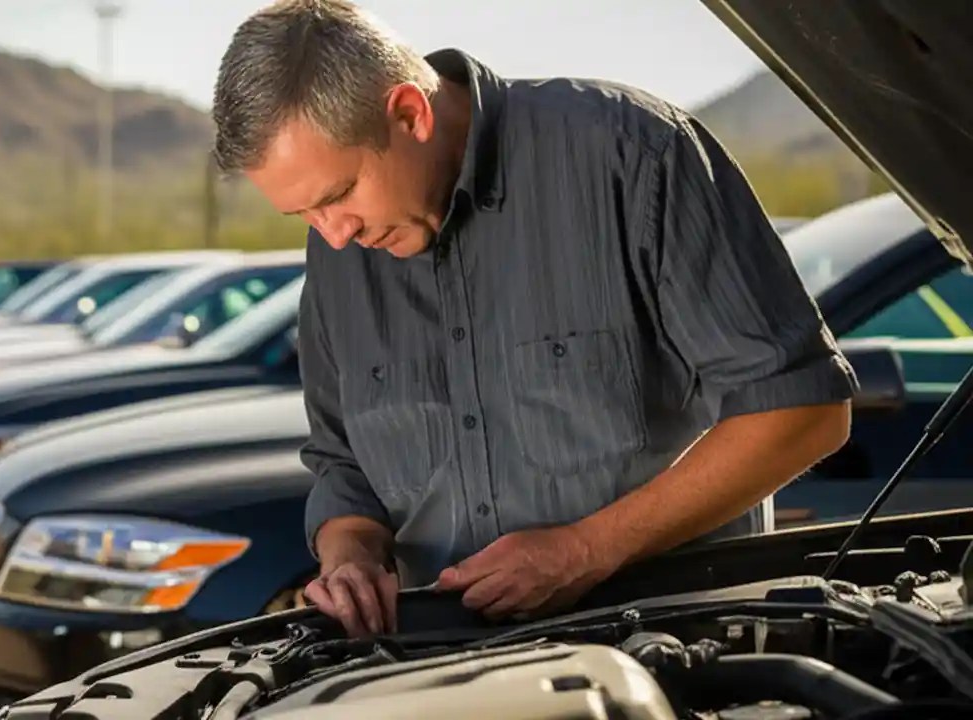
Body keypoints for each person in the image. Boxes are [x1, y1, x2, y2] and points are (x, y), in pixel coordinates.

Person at [211, 0, 855, 637]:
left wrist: (587, 549)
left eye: (338, 195)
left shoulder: (634, 155)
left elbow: (802, 411)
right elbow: (343, 466)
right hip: (439, 676)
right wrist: (350, 555)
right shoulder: (341, 248)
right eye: (305, 216)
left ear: (410, 113)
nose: (334, 234)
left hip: (673, 660)